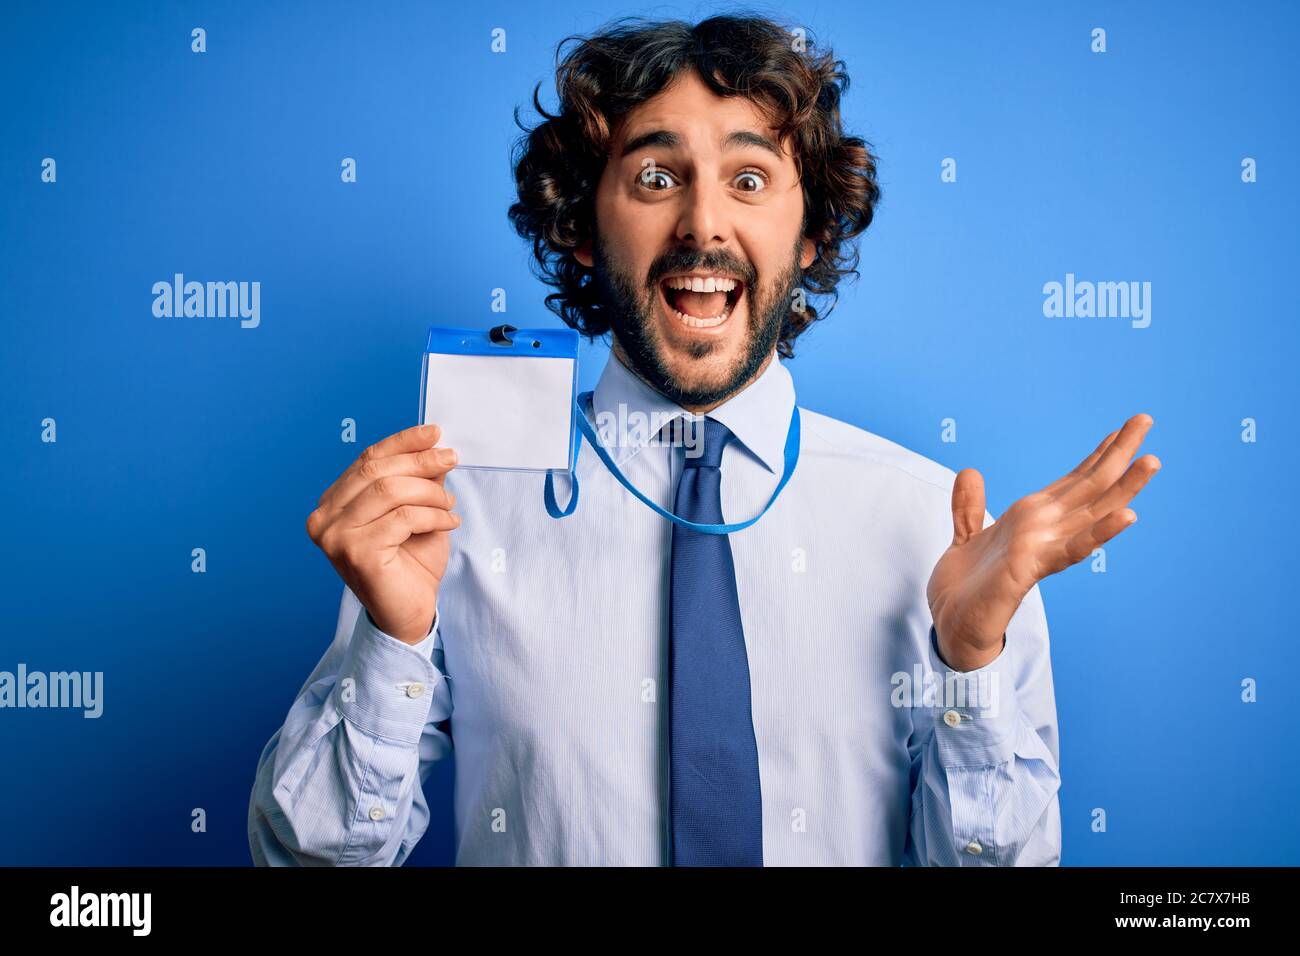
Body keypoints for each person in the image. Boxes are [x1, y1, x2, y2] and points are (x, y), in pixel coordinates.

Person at [248, 15, 1159, 866]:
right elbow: (307, 860)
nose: (703, 224)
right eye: (655, 178)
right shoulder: (450, 516)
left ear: (810, 236)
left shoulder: (940, 531)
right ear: (580, 229)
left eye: (750, 179)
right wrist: (390, 640)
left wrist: (967, 666)